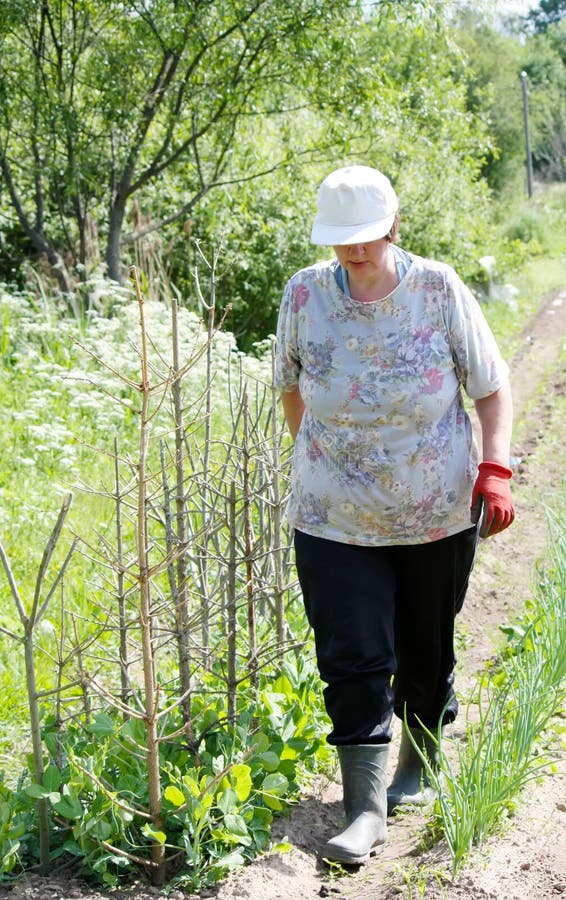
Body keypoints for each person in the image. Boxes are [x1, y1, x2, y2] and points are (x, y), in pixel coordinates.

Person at [274, 165, 514, 865]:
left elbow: (491, 389)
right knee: (349, 654)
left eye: (366, 239)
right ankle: (364, 808)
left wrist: (495, 471)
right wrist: (327, 458)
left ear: (393, 226)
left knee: (424, 647)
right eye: (341, 241)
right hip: (332, 515)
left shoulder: (437, 288)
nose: (354, 252)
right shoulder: (304, 293)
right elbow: (290, 387)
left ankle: (419, 759)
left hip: (434, 512)